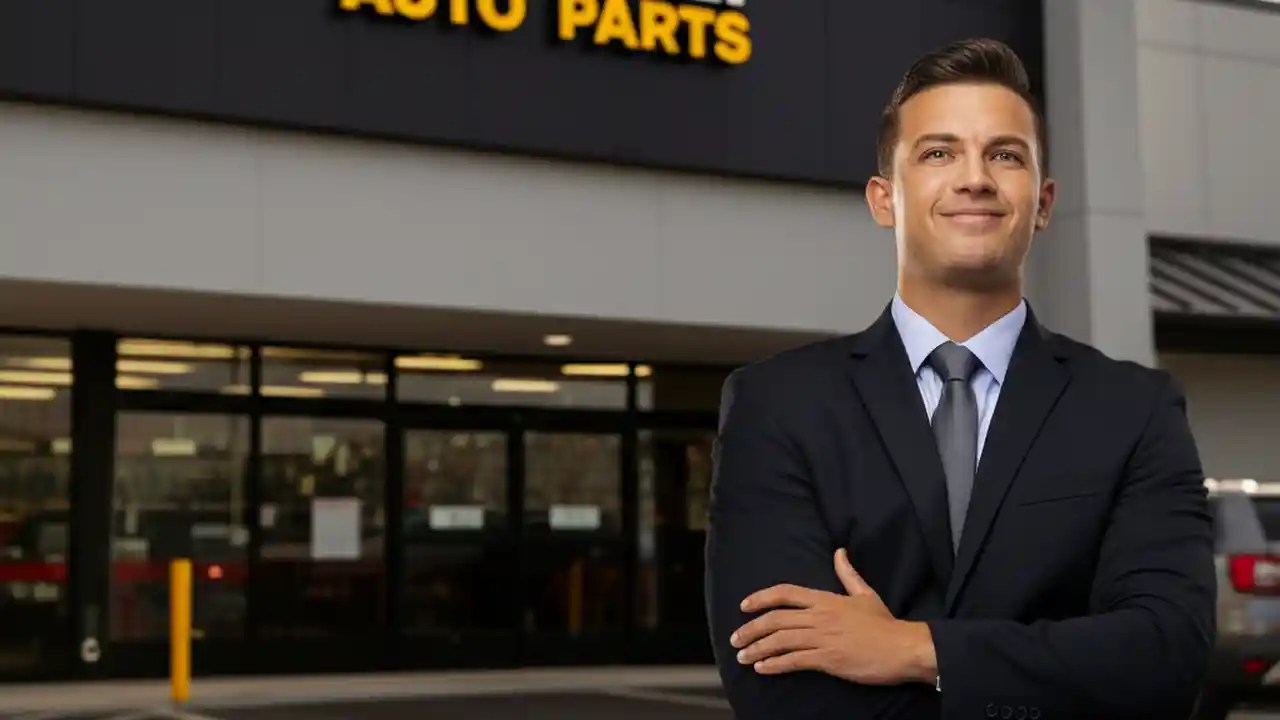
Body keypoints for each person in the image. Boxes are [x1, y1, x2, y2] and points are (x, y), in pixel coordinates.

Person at [704, 37, 1216, 720]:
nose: (975, 177)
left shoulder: (1135, 409)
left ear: (1042, 201)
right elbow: (776, 676)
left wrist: (919, 650)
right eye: (939, 153)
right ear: (884, 198)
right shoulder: (777, 405)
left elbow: (1165, 655)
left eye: (1005, 155)